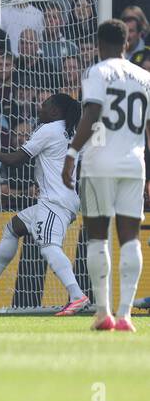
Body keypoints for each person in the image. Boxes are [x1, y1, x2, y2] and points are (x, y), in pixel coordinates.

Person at [0, 93, 88, 315]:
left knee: (49, 246)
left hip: (54, 201)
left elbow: (17, 159)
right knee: (14, 227)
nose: (40, 108)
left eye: (44, 105)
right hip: (60, 198)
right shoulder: (70, 130)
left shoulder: (48, 129)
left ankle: (77, 295)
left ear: (55, 111)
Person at [62, 20, 150, 331]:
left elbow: (93, 110)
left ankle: (103, 313)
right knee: (130, 239)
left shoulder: (96, 72)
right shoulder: (145, 77)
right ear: (127, 43)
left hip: (99, 162)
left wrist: (72, 153)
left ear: (99, 44)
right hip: (134, 164)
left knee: (98, 236)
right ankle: (125, 315)